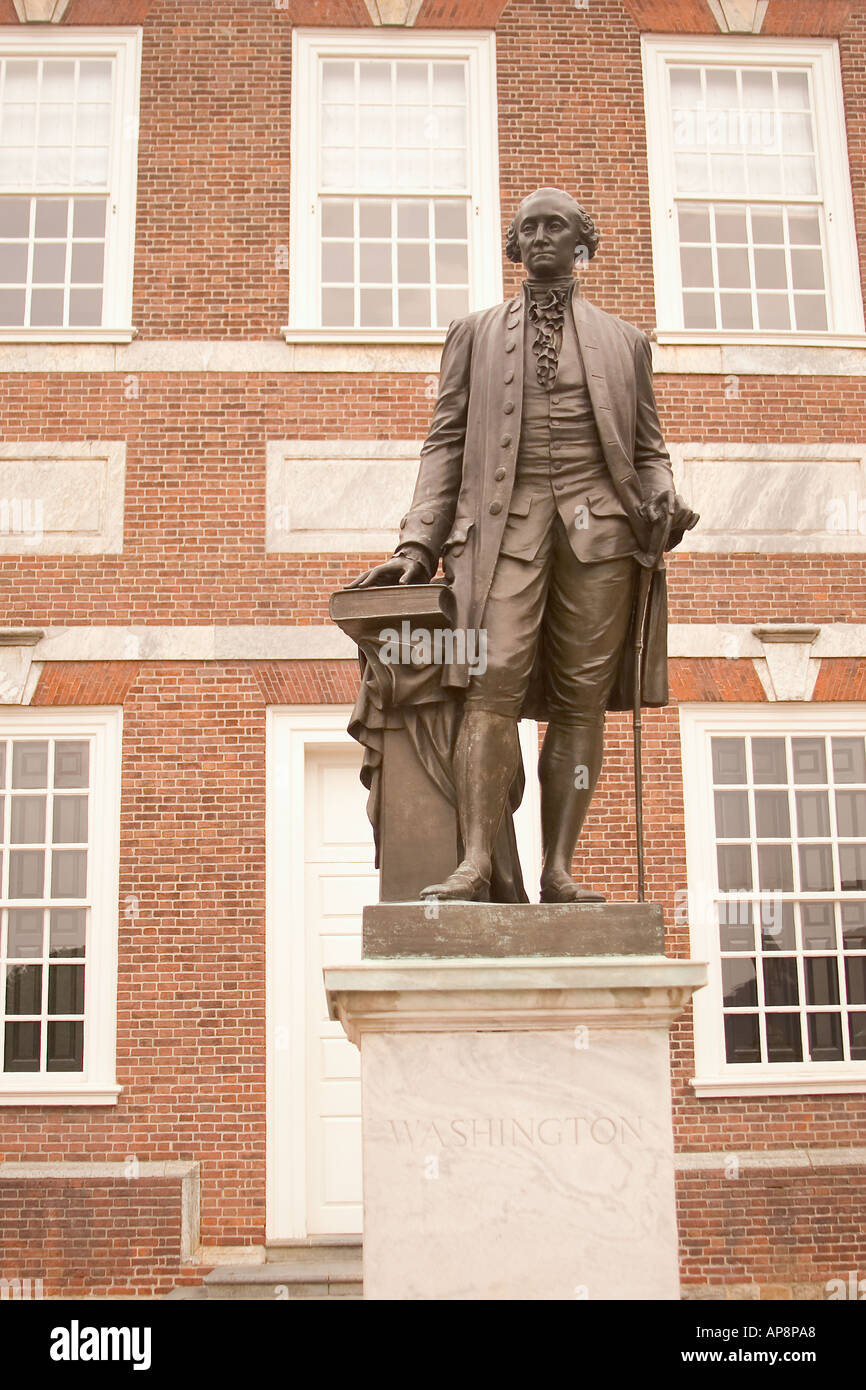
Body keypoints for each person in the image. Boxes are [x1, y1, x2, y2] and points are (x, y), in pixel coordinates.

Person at [349, 188, 697, 903]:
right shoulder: (473, 333)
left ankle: (558, 867)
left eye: (556, 227)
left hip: (599, 538)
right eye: (527, 228)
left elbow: (648, 449)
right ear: (513, 245)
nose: (540, 238)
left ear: (582, 246)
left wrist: (663, 495)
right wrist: (418, 543)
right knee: (489, 684)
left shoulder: (626, 343)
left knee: (581, 701)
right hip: (501, 536)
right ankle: (475, 860)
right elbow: (444, 442)